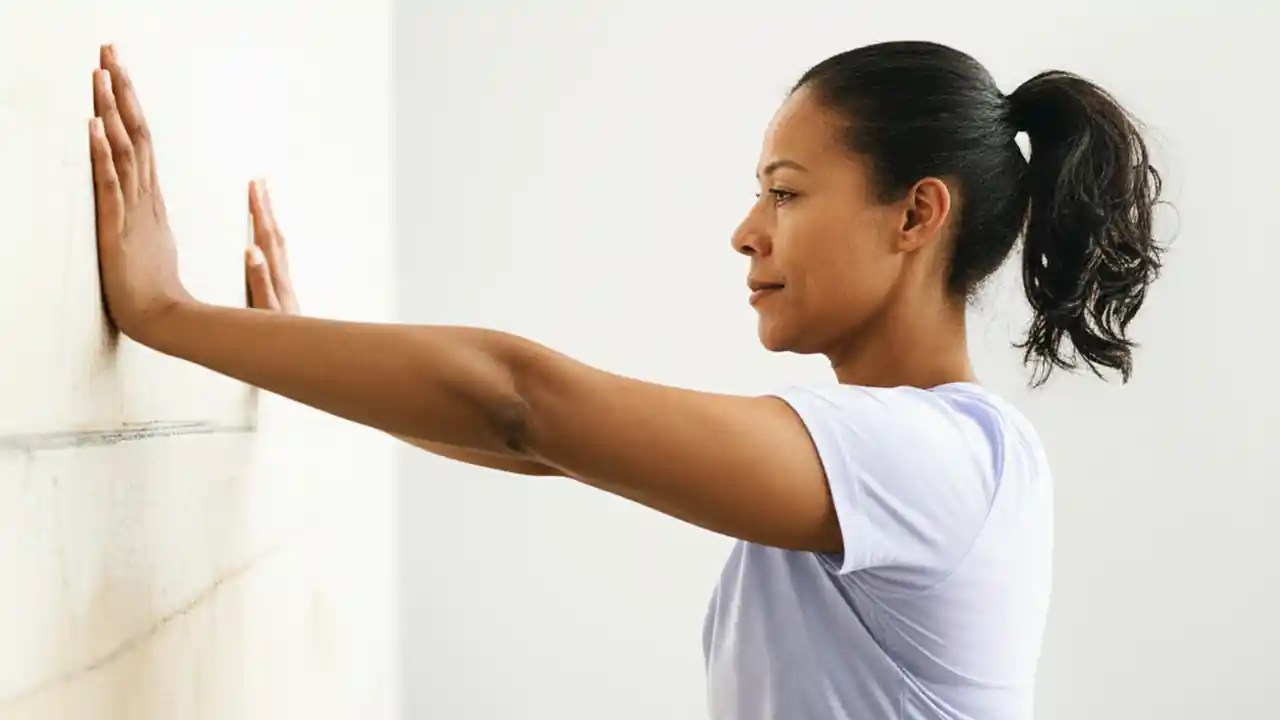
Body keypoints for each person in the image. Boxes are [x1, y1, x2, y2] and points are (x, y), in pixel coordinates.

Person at [87, 38, 1162, 720]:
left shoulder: (936, 460)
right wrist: (290, 353)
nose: (747, 233)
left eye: (785, 193)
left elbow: (522, 406)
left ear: (916, 216)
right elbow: (541, 440)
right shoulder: (910, 454)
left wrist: (169, 315)